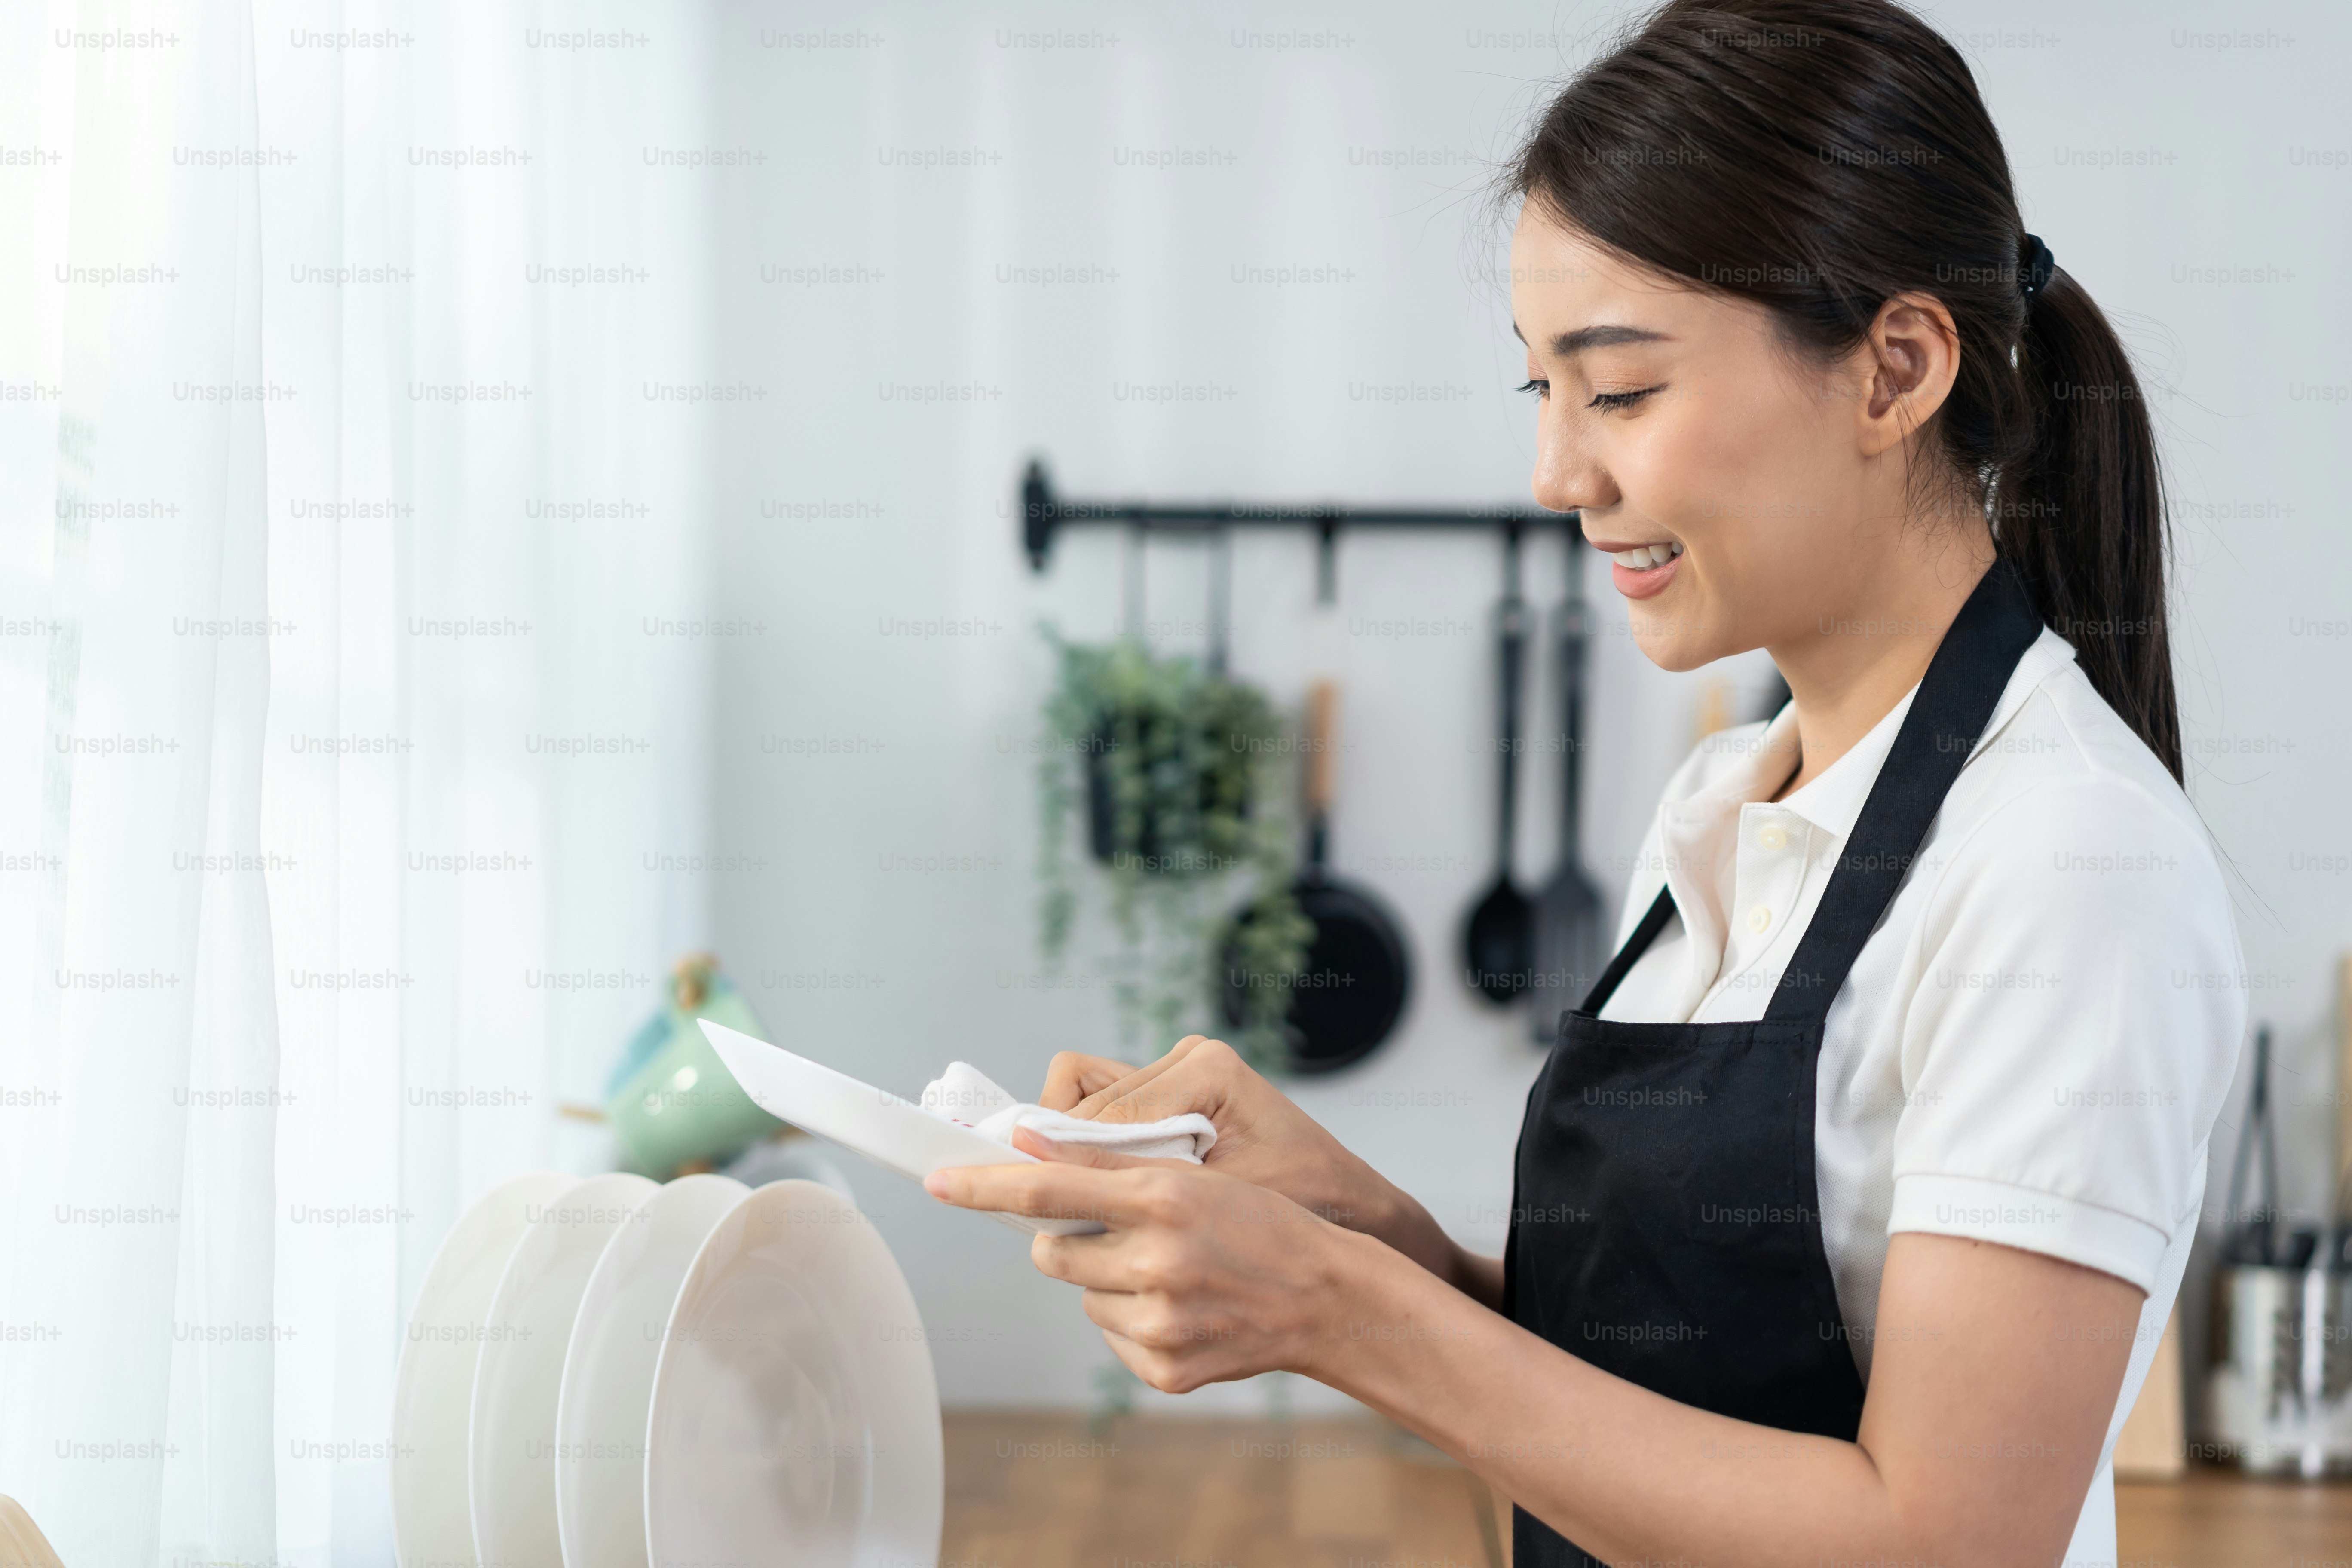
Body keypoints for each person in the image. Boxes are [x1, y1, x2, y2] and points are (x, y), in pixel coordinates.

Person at [929, 3, 2245, 1562]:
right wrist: (1371, 1241)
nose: (1561, 476)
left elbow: (1935, 1537)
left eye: (1618, 391)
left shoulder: (2066, 862)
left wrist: (1347, 1318)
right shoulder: (1722, 818)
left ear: (1896, 369)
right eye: (1538, 393)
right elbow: (1689, 1400)